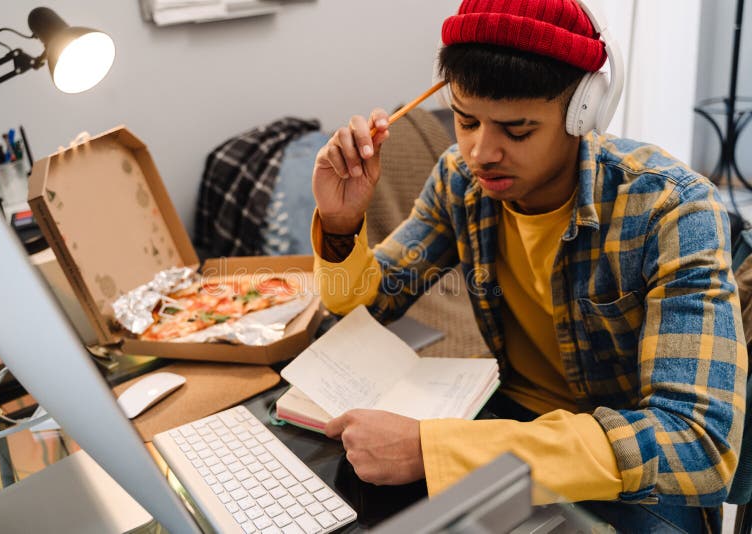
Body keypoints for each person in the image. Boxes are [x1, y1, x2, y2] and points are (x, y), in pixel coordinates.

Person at [309, 0, 748, 531]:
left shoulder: (670, 207)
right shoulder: (458, 179)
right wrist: (340, 223)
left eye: (516, 131)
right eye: (465, 120)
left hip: (637, 476)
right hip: (505, 420)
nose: (480, 152)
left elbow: (696, 443)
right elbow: (373, 304)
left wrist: (437, 450)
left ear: (583, 112)